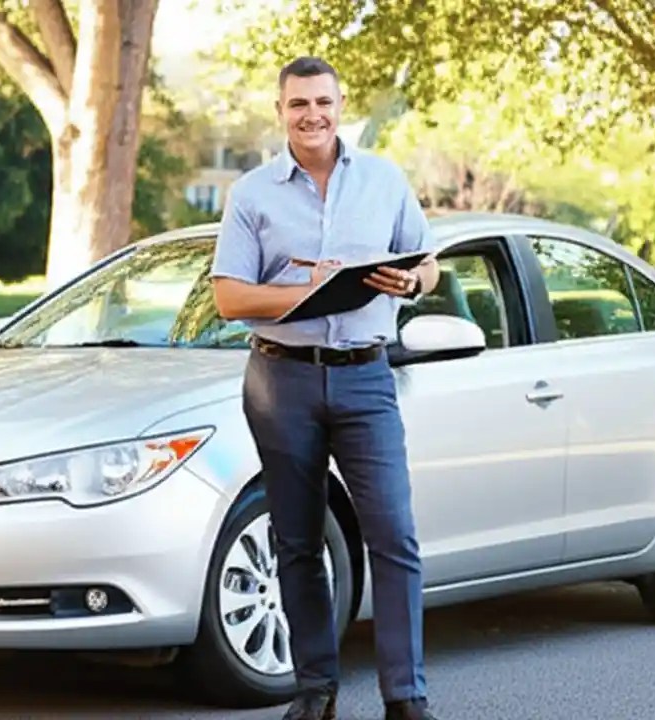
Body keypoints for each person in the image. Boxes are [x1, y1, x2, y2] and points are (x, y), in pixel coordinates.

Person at [209, 56, 442, 720]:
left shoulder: (383, 180)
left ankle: (406, 697)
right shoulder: (252, 194)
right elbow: (228, 296)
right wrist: (304, 292)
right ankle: (316, 691)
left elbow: (426, 263)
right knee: (297, 540)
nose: (312, 114)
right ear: (279, 112)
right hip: (281, 380)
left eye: (323, 102)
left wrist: (413, 282)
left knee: (393, 533)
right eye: (297, 104)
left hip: (366, 376)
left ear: (342, 107)